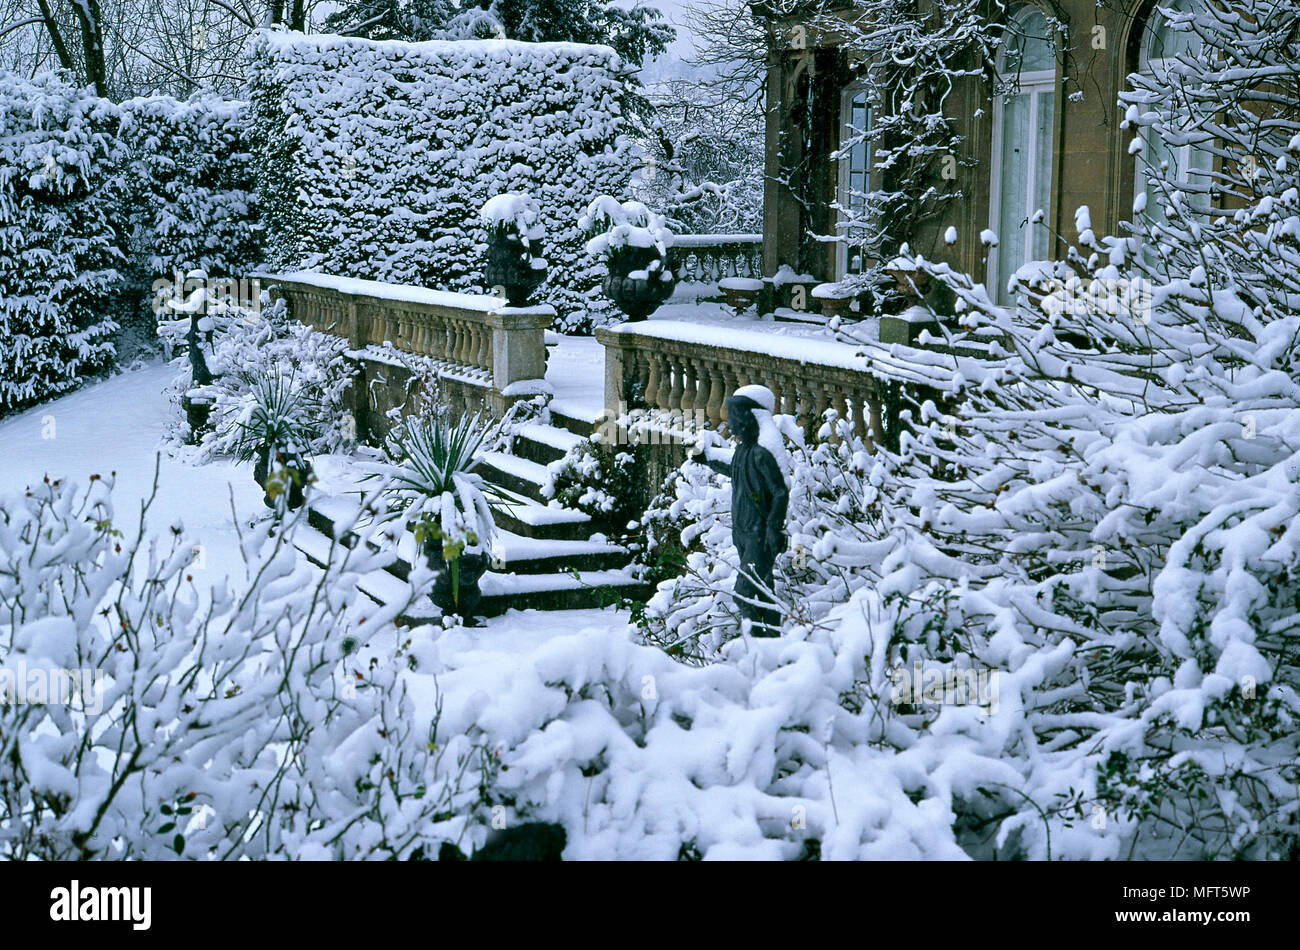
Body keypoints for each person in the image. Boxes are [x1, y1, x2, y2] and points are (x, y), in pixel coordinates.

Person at [693, 385, 790, 636]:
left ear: (750, 419)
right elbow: (733, 470)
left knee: (744, 593)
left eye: (735, 419)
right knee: (764, 590)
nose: (732, 426)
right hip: (743, 534)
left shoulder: (760, 454)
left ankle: (757, 641)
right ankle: (773, 641)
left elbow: (780, 491)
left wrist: (773, 528)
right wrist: (708, 459)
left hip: (760, 536)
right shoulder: (743, 452)